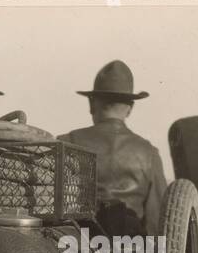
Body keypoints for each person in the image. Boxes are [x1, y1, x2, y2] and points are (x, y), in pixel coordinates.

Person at [61, 61, 167, 236]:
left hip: (76, 251)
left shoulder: (67, 142)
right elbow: (157, 220)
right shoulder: (149, 153)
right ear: (130, 109)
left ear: (91, 104)